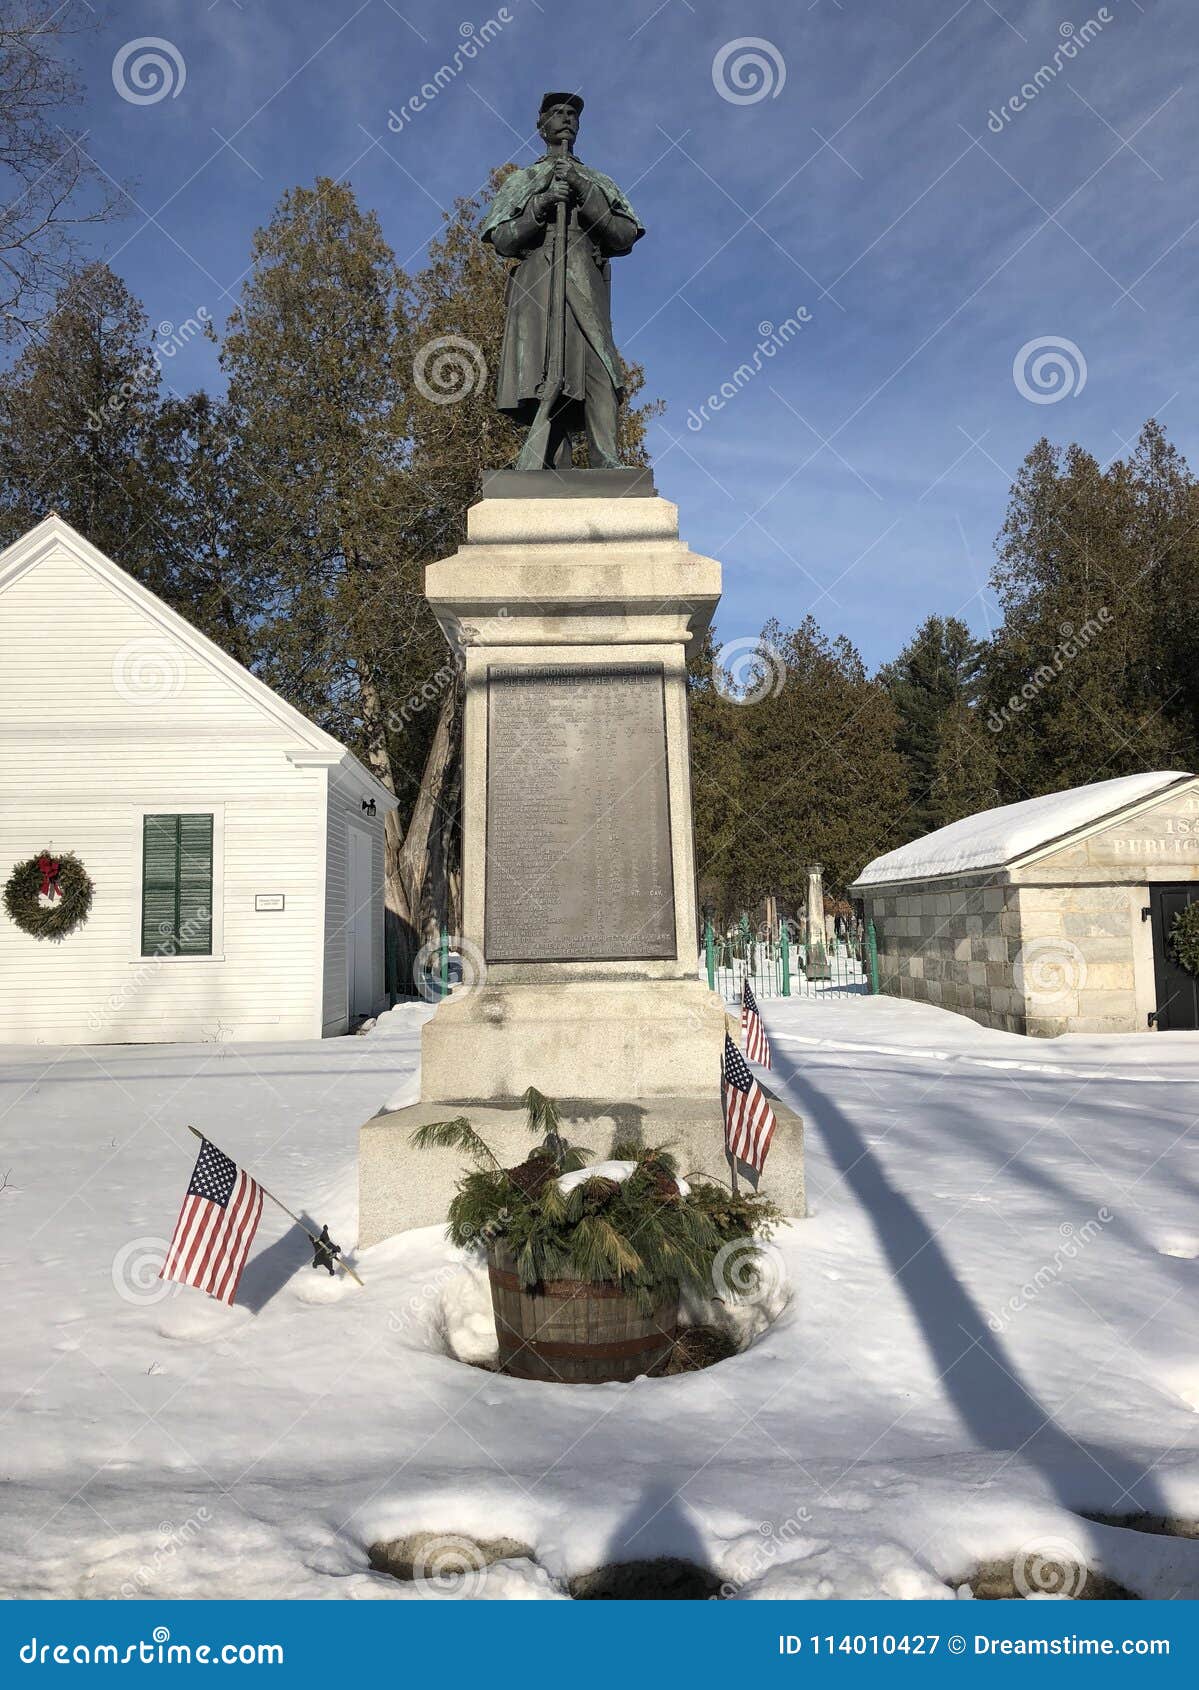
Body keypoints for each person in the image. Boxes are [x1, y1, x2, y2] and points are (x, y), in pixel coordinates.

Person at [481, 92, 644, 470]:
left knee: (600, 366)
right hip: (538, 281)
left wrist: (583, 192)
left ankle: (607, 459)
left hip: (585, 277)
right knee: (545, 370)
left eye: (572, 113)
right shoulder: (524, 179)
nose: (567, 118)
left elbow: (623, 235)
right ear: (541, 126)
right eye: (557, 112)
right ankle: (553, 466)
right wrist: (540, 204)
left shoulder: (596, 180)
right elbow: (502, 240)